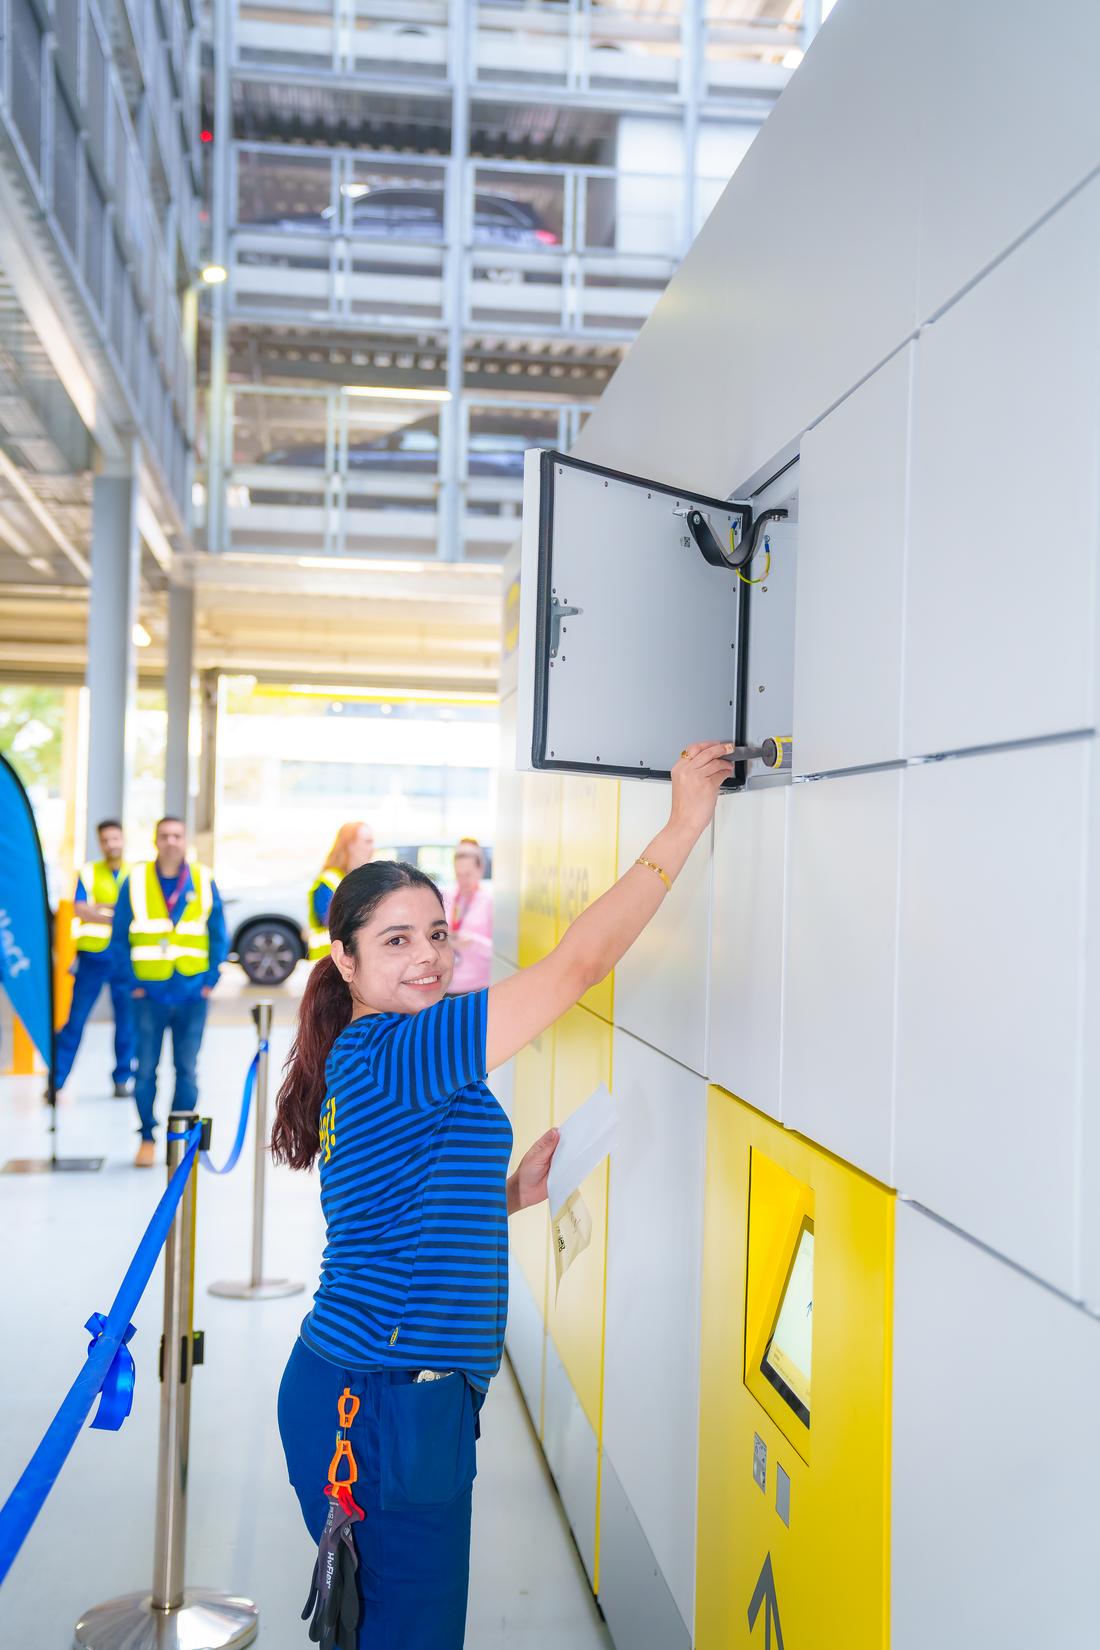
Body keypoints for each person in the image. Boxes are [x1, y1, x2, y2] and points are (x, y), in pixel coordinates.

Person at [271, 740, 732, 1648]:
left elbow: (385, 1211)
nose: (428, 957)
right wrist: (683, 824)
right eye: (395, 940)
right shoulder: (400, 1049)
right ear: (347, 961)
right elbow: (576, 970)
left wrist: (510, 1192)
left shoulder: (377, 1054)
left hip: (391, 1392)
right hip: (385, 1399)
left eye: (436, 933)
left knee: (382, 1630)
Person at [109, 816, 228, 1168]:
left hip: (192, 993)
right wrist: (131, 984)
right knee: (145, 1070)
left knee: (187, 1069)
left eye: (177, 835)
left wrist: (210, 979)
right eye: (165, 835)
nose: (171, 841)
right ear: (155, 840)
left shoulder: (203, 880)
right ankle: (147, 1136)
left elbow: (218, 932)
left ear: (185, 839)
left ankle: (179, 1137)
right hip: (149, 994)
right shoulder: (137, 880)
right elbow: (118, 937)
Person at [53, 819, 135, 1098]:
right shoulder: (88, 873)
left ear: (123, 839)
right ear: (100, 843)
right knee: (75, 1020)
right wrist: (115, 913)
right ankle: (58, 1079)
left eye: (115, 838)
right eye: (106, 840)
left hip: (124, 957)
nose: (111, 844)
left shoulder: (136, 873)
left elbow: (135, 911)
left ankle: (123, 1079)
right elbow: (80, 910)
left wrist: (100, 908)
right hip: (92, 957)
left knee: (127, 1022)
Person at [307, 821, 375, 961]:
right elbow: (337, 924)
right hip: (330, 966)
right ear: (350, 845)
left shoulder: (363, 880)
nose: (373, 848)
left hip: (352, 964)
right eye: (367, 842)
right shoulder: (329, 881)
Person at [445, 837, 493, 994]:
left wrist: (473, 942)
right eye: (458, 874)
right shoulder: (448, 897)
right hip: (446, 986)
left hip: (477, 988)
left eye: (468, 874)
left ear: (480, 870)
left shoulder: (489, 901)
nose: (462, 880)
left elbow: (499, 952)